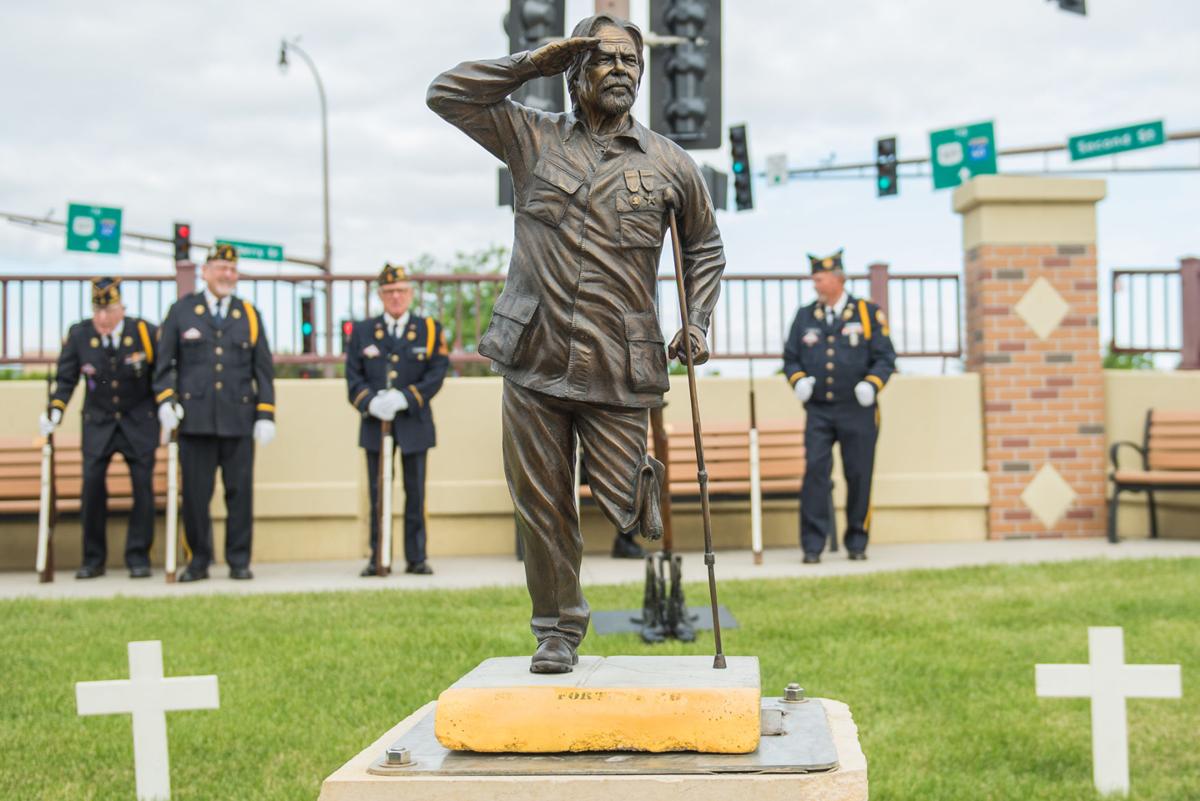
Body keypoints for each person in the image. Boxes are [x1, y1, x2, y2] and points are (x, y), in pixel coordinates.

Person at [428, 14, 725, 673]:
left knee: (631, 510)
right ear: (575, 73)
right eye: (605, 59)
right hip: (533, 353)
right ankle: (557, 629)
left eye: (631, 62)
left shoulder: (670, 162)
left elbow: (704, 247)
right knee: (542, 499)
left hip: (620, 361)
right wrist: (531, 61)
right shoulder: (530, 137)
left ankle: (628, 487)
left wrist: (697, 319)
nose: (621, 70)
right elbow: (446, 94)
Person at [153, 244, 276, 582]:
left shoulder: (248, 314)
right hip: (196, 421)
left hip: (238, 419)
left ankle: (239, 561)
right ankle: (198, 561)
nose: (227, 275)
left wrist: (266, 413)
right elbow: (164, 365)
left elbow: (262, 368)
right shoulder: (182, 311)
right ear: (205, 272)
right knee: (195, 497)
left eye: (232, 270)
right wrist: (166, 400)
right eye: (221, 267)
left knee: (240, 495)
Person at [39, 277, 160, 578]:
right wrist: (56, 409)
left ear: (123, 308)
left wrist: (167, 405)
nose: (103, 318)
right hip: (99, 422)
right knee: (92, 487)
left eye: (110, 310)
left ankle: (138, 557)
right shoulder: (80, 335)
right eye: (98, 310)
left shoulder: (143, 332)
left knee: (142, 488)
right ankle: (93, 559)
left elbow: (160, 375)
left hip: (138, 421)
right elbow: (67, 379)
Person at [783, 250, 896, 563]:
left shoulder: (867, 313)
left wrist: (872, 384)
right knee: (816, 473)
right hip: (819, 410)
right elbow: (791, 357)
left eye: (819, 278)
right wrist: (799, 380)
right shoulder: (806, 315)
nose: (815, 284)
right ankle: (812, 546)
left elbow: (886, 357)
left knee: (859, 474)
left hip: (857, 410)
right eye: (814, 278)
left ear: (838, 279)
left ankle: (857, 542)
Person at [344, 263, 449, 577]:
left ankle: (417, 557)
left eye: (401, 291)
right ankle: (379, 557)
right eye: (389, 292)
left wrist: (407, 397)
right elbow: (352, 377)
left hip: (414, 421)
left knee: (415, 493)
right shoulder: (363, 331)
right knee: (378, 494)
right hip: (376, 423)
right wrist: (370, 402)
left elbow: (437, 372)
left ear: (411, 294)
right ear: (380, 295)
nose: (396, 298)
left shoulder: (429, 329)